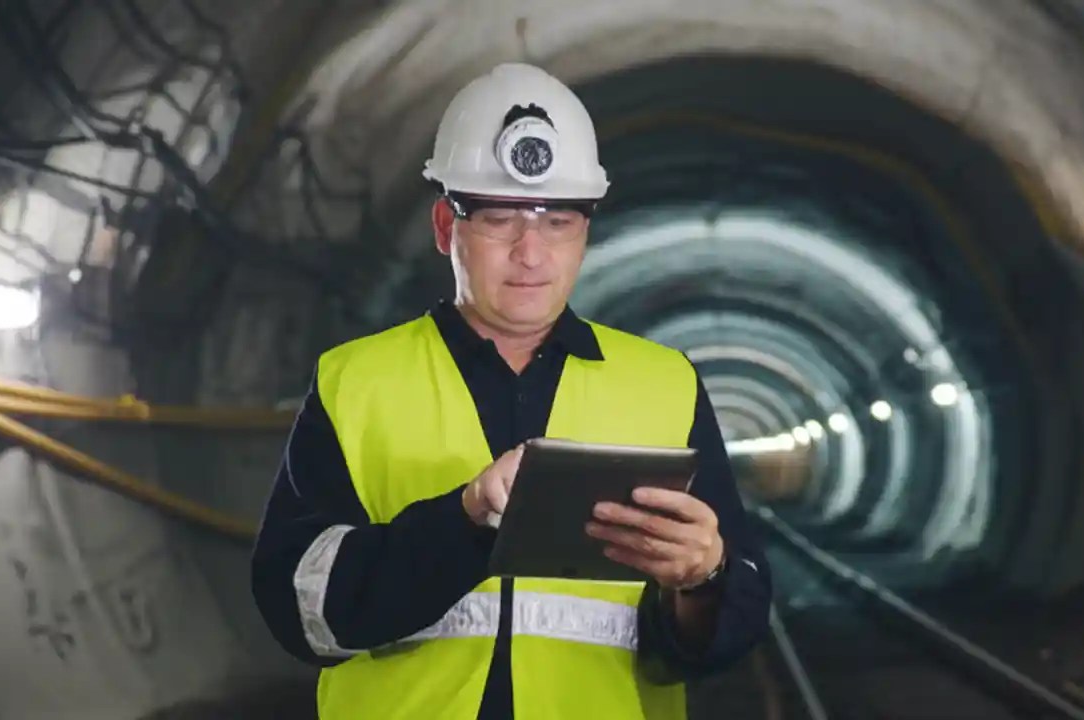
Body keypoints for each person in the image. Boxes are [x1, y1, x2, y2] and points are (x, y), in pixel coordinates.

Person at [250, 62, 773, 720]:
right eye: (500, 219)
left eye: (558, 221)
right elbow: (297, 611)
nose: (532, 252)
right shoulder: (357, 382)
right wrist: (462, 518)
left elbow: (732, 626)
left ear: (586, 232)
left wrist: (704, 580)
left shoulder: (664, 385)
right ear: (447, 227)